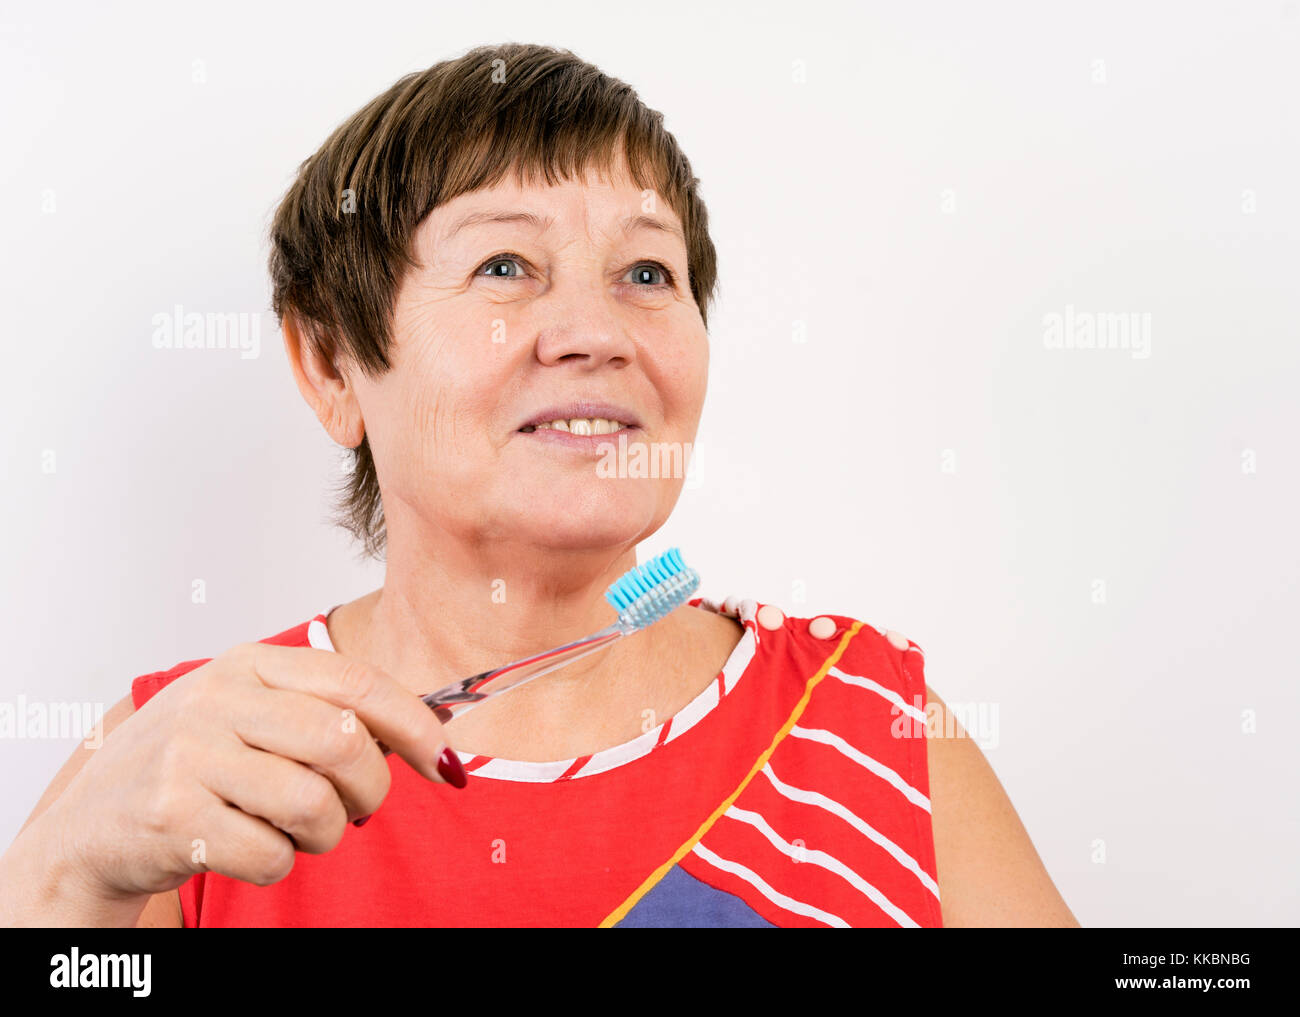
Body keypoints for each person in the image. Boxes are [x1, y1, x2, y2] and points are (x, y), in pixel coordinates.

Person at [0, 42, 1078, 928]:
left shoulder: (867, 721)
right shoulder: (188, 759)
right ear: (333, 365)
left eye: (647, 273)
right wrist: (58, 882)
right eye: (504, 266)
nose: (596, 333)